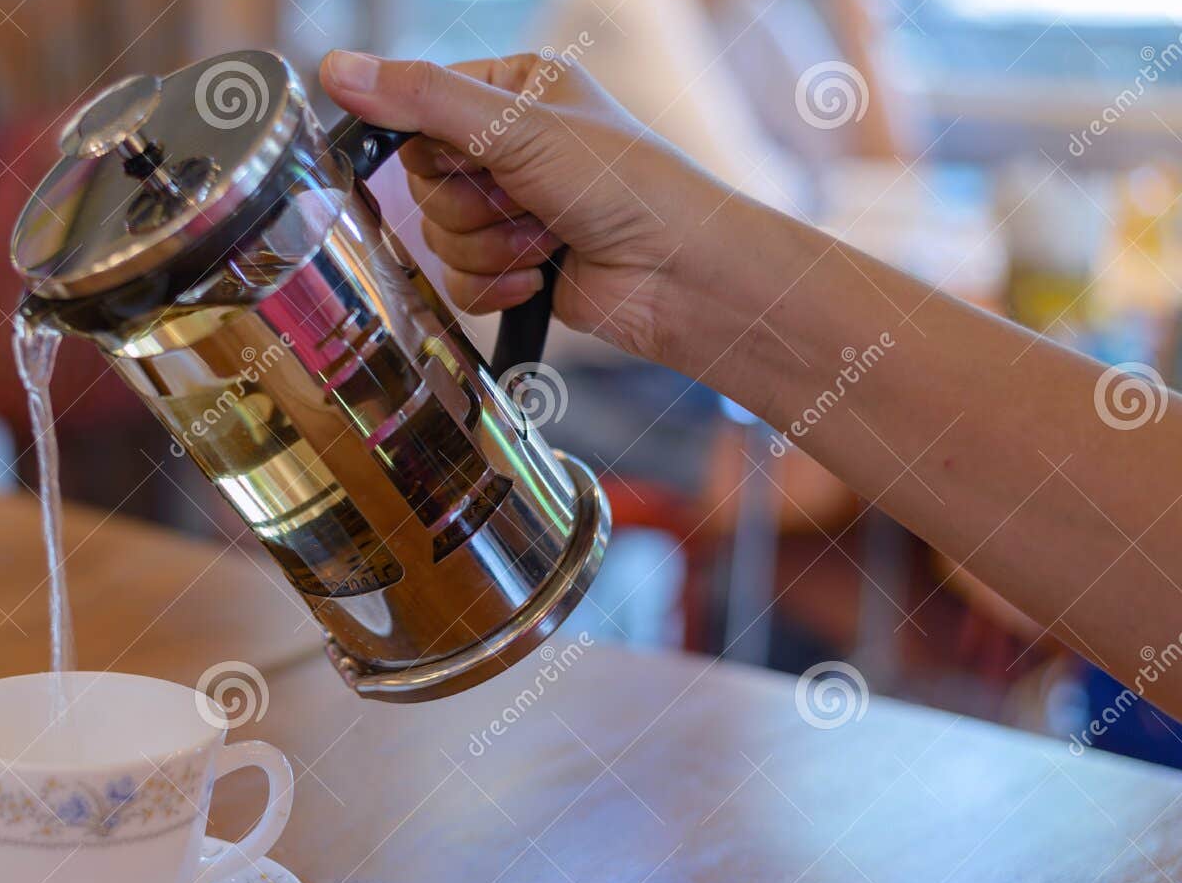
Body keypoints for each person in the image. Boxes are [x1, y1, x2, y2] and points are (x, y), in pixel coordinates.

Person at [318, 49, 1182, 721]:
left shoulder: (782, 25)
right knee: (834, 512)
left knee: (849, 527)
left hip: (680, 388)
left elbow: (874, 176)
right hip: (618, 388)